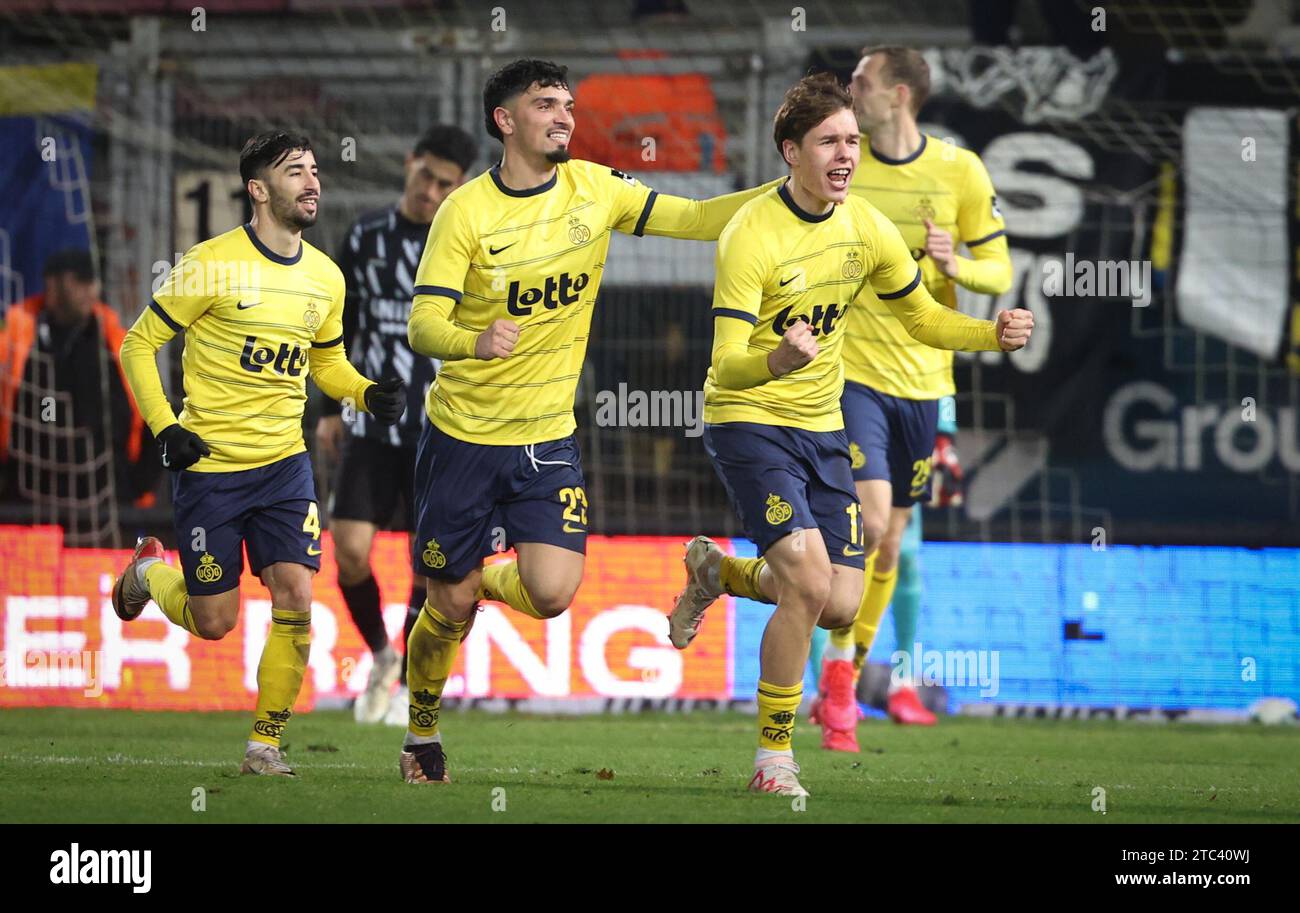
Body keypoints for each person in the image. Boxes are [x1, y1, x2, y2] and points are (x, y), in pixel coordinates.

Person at [397, 57, 782, 784]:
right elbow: (422, 323)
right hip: (463, 437)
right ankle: (421, 733)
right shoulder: (465, 213)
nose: (565, 114)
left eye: (568, 102)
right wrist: (472, 340)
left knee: (551, 592)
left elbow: (697, 220)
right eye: (545, 103)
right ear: (505, 120)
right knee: (443, 608)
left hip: (546, 434)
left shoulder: (596, 187)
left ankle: (476, 580)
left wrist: (783, 190)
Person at [667, 73, 1032, 795]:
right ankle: (774, 758)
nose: (846, 155)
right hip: (749, 419)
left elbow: (924, 318)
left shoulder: (863, 226)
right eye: (830, 141)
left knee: (837, 601)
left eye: (853, 142)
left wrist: (990, 333)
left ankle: (716, 573)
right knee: (807, 580)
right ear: (790, 151)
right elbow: (725, 368)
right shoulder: (751, 235)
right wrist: (777, 357)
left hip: (820, 425)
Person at [113, 131, 406, 776]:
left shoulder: (326, 276)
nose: (312, 181)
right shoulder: (209, 265)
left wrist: (363, 391)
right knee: (214, 621)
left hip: (284, 467)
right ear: (258, 189)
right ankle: (145, 575)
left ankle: (264, 745)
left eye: (315, 170)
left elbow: (323, 360)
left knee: (296, 593)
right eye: (294, 171)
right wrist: (165, 428)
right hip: (212, 469)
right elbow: (137, 345)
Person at [811, 45, 1014, 747]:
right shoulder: (845, 162)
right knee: (867, 518)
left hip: (927, 383)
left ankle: (851, 675)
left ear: (898, 95)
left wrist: (958, 263)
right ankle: (835, 686)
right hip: (850, 375)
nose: (850, 91)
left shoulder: (959, 170)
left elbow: (999, 270)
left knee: (894, 539)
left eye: (862, 82)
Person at [315, 124, 479, 725]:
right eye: (425, 176)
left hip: (440, 428)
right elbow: (337, 324)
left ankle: (411, 681)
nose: (431, 191)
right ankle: (383, 656)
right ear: (409, 164)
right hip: (370, 425)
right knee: (350, 553)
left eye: (446, 184)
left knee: (429, 564)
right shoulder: (365, 234)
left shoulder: (462, 241)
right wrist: (328, 408)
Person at [0, 249, 159, 511]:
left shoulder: (113, 340)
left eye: (91, 281)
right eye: (78, 281)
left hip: (106, 504)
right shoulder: (19, 338)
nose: (89, 289)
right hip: (29, 500)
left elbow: (154, 412)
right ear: (52, 285)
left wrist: (135, 488)